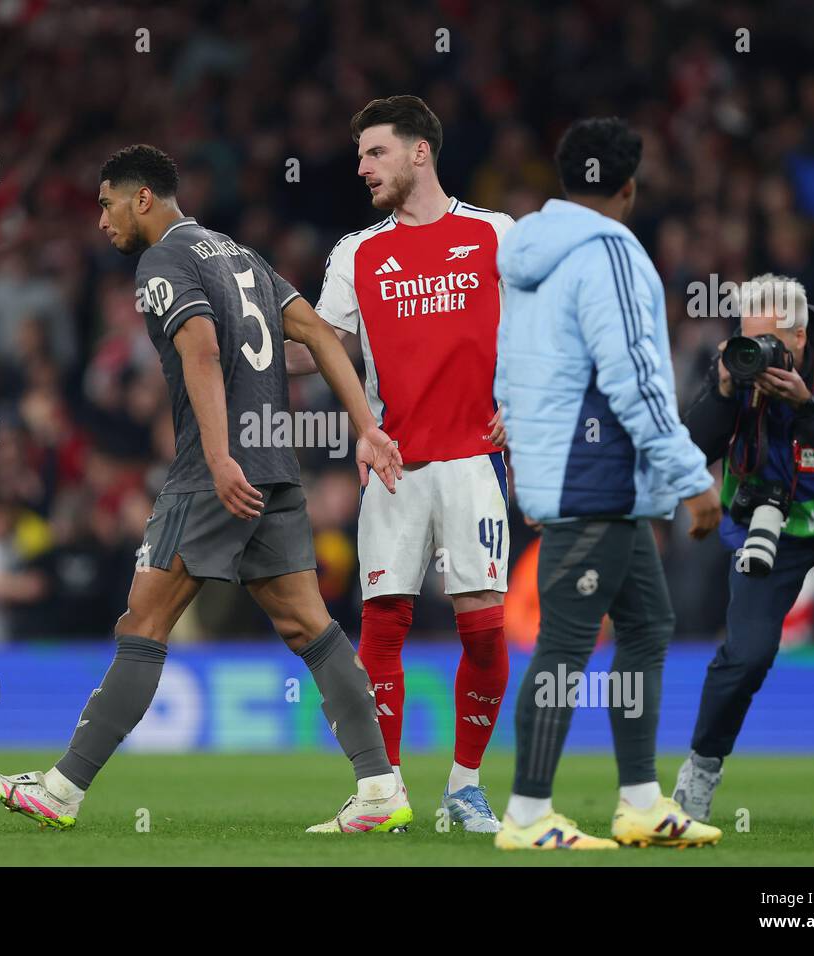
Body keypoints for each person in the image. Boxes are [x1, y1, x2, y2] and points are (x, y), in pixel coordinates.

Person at [0, 144, 411, 834]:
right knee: (311, 627)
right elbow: (325, 339)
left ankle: (60, 789)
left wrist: (216, 457)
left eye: (106, 203)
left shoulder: (164, 261)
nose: (100, 220)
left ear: (141, 198)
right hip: (276, 465)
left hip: (214, 475)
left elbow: (201, 348)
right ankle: (380, 785)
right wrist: (366, 426)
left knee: (142, 624)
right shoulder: (241, 255)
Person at [493, 117, 723, 850]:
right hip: (601, 479)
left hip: (571, 476)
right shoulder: (614, 253)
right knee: (564, 644)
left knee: (647, 628)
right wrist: (693, 477)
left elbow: (511, 372)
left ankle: (640, 802)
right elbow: (638, 381)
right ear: (628, 187)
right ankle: (527, 814)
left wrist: (528, 467)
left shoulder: (525, 255)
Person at [287, 95, 514, 832]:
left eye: (374, 153)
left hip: (475, 461)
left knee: (482, 628)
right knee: (381, 628)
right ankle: (382, 794)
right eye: (359, 157)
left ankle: (465, 787)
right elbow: (316, 348)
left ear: (421, 152)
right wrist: (231, 341)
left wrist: (529, 397)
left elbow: (552, 325)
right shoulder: (358, 251)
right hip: (394, 462)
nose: (362, 168)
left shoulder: (495, 235)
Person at [675, 275, 814, 825]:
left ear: (798, 338)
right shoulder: (738, 363)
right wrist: (724, 389)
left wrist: (805, 407)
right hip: (769, 522)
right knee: (745, 652)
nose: (754, 351)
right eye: (745, 337)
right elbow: (692, 447)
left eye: (767, 341)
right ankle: (701, 769)